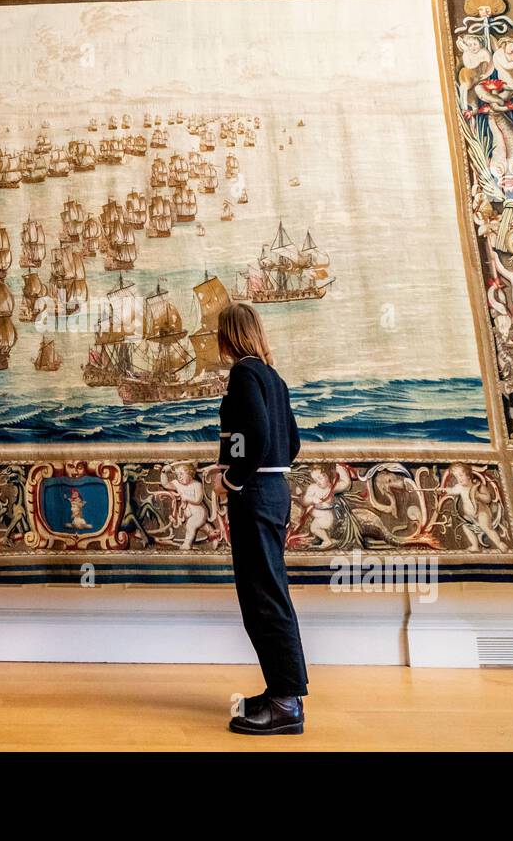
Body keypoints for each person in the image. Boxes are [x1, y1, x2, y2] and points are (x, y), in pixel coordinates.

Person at [212, 301, 308, 735]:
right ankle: (278, 692)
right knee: (265, 593)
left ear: (229, 335)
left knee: (264, 597)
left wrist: (232, 479)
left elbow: (258, 435)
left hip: (254, 495)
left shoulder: (244, 373)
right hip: (272, 491)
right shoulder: (274, 377)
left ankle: (287, 703)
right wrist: (232, 468)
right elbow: (290, 444)